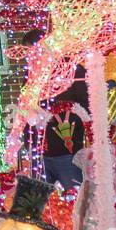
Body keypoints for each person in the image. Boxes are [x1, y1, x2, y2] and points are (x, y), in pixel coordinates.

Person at [42, 64, 88, 192]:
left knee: (74, 196)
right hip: (39, 152)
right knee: (43, 204)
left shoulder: (74, 69)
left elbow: (86, 106)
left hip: (67, 151)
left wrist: (61, 111)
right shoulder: (36, 71)